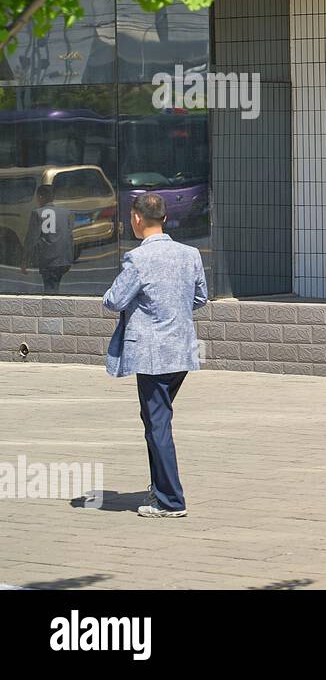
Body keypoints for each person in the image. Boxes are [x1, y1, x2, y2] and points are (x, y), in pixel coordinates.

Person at [103, 193, 208, 518]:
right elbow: (201, 297)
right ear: (163, 217)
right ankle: (159, 488)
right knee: (155, 417)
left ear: (137, 218)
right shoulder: (190, 253)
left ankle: (170, 500)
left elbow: (115, 300)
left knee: (157, 422)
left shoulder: (138, 259)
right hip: (181, 352)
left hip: (151, 355)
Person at [21, 184, 74, 292]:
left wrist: (25, 260)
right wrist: (70, 258)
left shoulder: (37, 213)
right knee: (55, 285)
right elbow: (70, 237)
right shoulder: (66, 213)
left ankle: (52, 308)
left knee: (50, 288)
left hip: (48, 259)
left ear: (40, 197)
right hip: (64, 259)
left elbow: (31, 238)